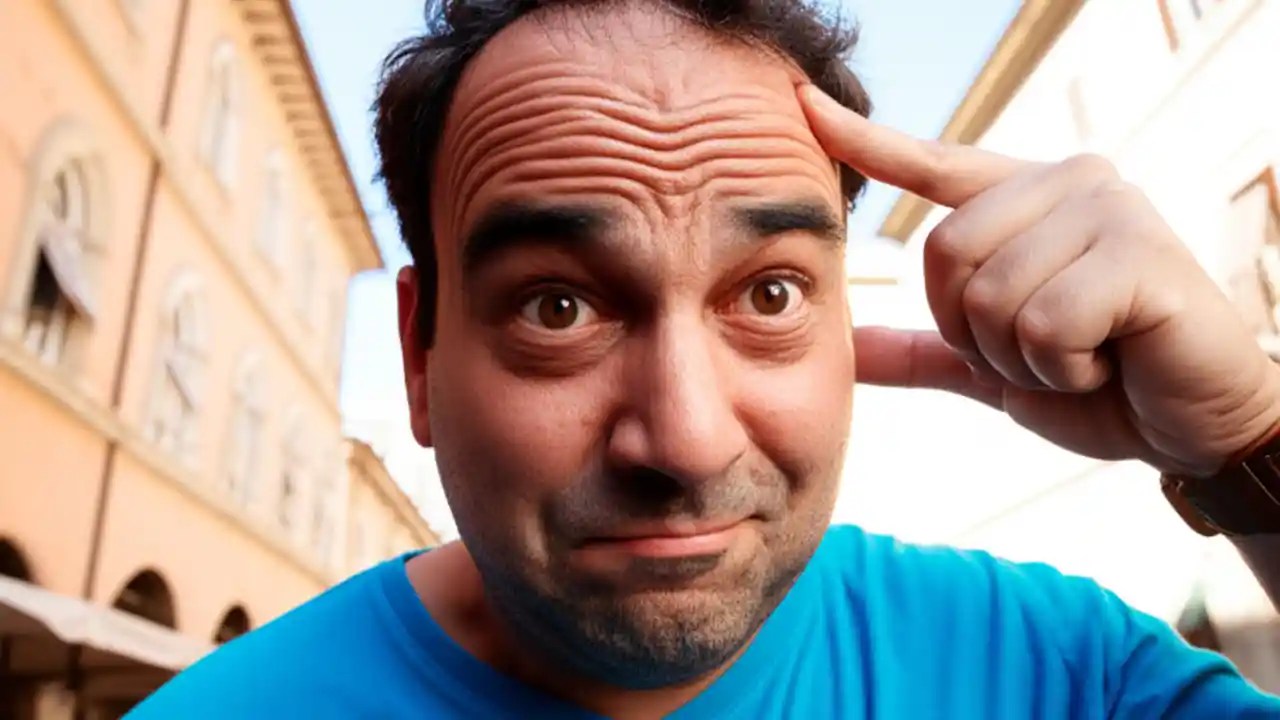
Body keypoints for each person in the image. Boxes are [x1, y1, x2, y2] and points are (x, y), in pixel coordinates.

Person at [130, 0, 1280, 717]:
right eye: (556, 307)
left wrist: (1244, 443)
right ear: (420, 357)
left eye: (769, 292)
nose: (682, 438)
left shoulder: (1053, 674)